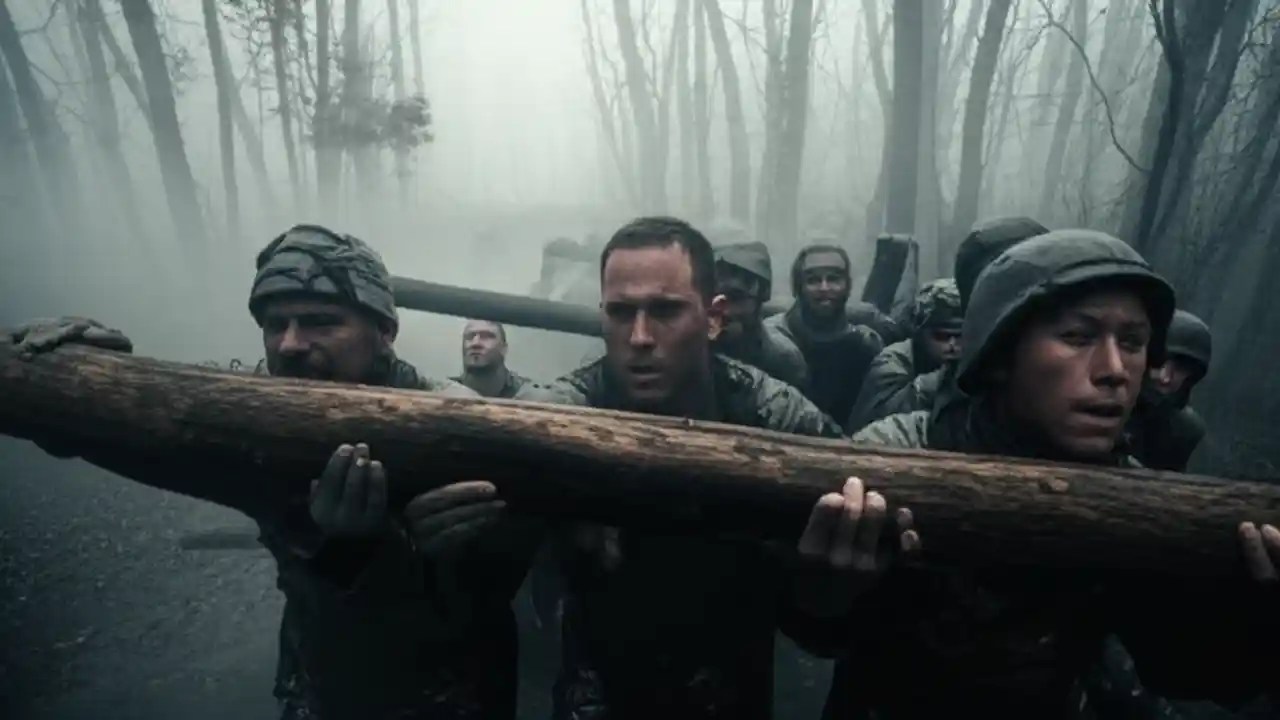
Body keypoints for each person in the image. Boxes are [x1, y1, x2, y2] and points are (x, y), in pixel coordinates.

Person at [11, 225, 534, 720]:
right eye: (274, 325)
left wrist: (394, 548)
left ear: (384, 332)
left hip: (448, 697)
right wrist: (79, 377)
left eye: (319, 322)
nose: (289, 344)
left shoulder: (456, 423)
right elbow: (151, 422)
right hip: (323, 687)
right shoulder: (245, 417)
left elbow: (510, 571)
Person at [797, 229, 1280, 719]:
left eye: (1133, 342)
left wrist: (1255, 624)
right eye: (1077, 336)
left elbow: (1180, 669)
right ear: (1001, 354)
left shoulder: (1135, 499)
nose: (1115, 369)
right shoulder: (893, 457)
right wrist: (829, 595)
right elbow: (813, 630)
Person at [520, 216, 917, 720]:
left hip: (729, 686)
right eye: (621, 313)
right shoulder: (570, 407)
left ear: (713, 318)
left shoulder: (772, 412)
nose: (639, 336)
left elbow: (837, 597)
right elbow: (524, 435)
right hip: (598, 687)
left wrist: (823, 588)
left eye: (665, 311)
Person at [765, 243, 885, 431]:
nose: (824, 287)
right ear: (798, 287)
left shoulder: (865, 345)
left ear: (847, 286)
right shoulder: (772, 340)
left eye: (834, 279)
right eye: (813, 280)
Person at [847, 278, 962, 431]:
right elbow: (871, 424)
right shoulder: (893, 363)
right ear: (920, 335)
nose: (952, 346)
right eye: (942, 336)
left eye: (961, 336)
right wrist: (931, 385)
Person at [711, 241, 808, 389]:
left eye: (736, 298)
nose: (725, 310)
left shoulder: (783, 359)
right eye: (714, 297)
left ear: (760, 298)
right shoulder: (690, 351)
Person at [1127, 309, 1212, 472]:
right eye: (1158, 362)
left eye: (1179, 368)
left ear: (1191, 377)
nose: (1164, 377)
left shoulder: (1184, 430)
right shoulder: (1099, 405)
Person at [451, 319, 530, 399]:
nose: (475, 343)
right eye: (470, 337)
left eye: (487, 336)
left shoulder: (530, 396)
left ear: (503, 348)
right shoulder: (446, 393)